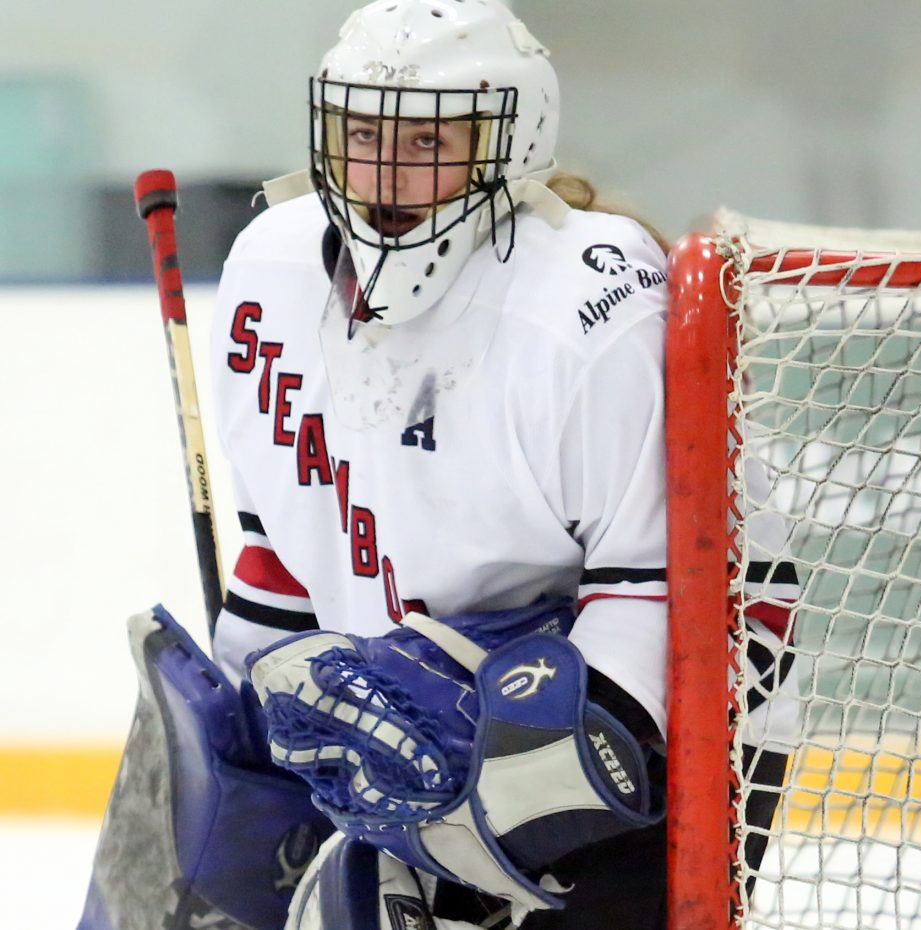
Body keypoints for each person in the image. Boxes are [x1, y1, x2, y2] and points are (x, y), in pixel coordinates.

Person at [208, 1, 672, 928]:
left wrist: (489, 831)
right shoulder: (270, 271)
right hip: (393, 782)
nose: (384, 173)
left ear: (510, 144)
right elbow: (281, 557)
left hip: (617, 764)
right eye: (361, 135)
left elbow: (659, 594)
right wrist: (249, 756)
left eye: (428, 139)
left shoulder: (586, 310)